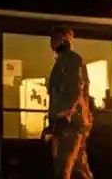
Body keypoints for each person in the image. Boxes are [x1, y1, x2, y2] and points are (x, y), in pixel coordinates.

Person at [45, 25, 93, 179]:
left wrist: (63, 115)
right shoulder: (67, 61)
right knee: (79, 169)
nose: (52, 44)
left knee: (64, 168)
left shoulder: (70, 61)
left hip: (69, 124)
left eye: (55, 39)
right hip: (73, 123)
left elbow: (74, 89)